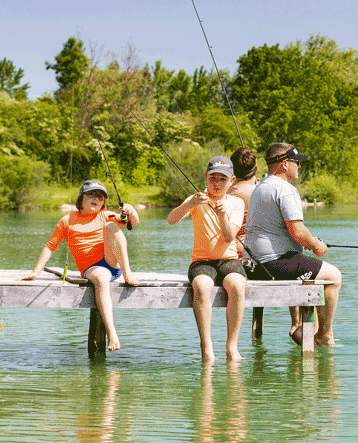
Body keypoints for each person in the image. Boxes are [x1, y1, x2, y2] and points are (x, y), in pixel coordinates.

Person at [22, 179, 140, 352]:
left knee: (111, 226)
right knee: (101, 278)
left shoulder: (106, 215)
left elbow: (133, 222)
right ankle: (112, 333)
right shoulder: (67, 220)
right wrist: (35, 272)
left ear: (103, 202)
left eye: (100, 197)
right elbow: (50, 246)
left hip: (111, 262)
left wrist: (130, 210)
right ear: (81, 198)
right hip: (92, 268)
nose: (96, 199)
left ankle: (128, 273)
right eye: (91, 194)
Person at [244, 143, 343, 347]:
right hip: (273, 265)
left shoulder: (260, 187)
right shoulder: (285, 189)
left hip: (253, 267)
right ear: (284, 164)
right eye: (296, 162)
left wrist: (309, 241)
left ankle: (304, 329)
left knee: (312, 274)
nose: (299, 166)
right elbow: (298, 232)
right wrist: (316, 246)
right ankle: (325, 336)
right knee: (333, 277)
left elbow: (288, 232)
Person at [168, 155, 247, 362]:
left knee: (237, 285)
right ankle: (206, 345)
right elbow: (171, 220)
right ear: (206, 177)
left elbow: (229, 236)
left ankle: (232, 345)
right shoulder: (197, 199)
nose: (217, 183)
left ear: (231, 181)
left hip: (228, 260)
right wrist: (190, 204)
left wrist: (222, 216)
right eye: (213, 178)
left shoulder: (236, 202)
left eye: (223, 179)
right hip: (202, 261)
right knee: (201, 286)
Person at [227, 147, 258, 259]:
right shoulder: (261, 192)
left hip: (230, 252)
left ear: (232, 171)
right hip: (257, 252)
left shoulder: (224, 194)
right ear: (256, 169)